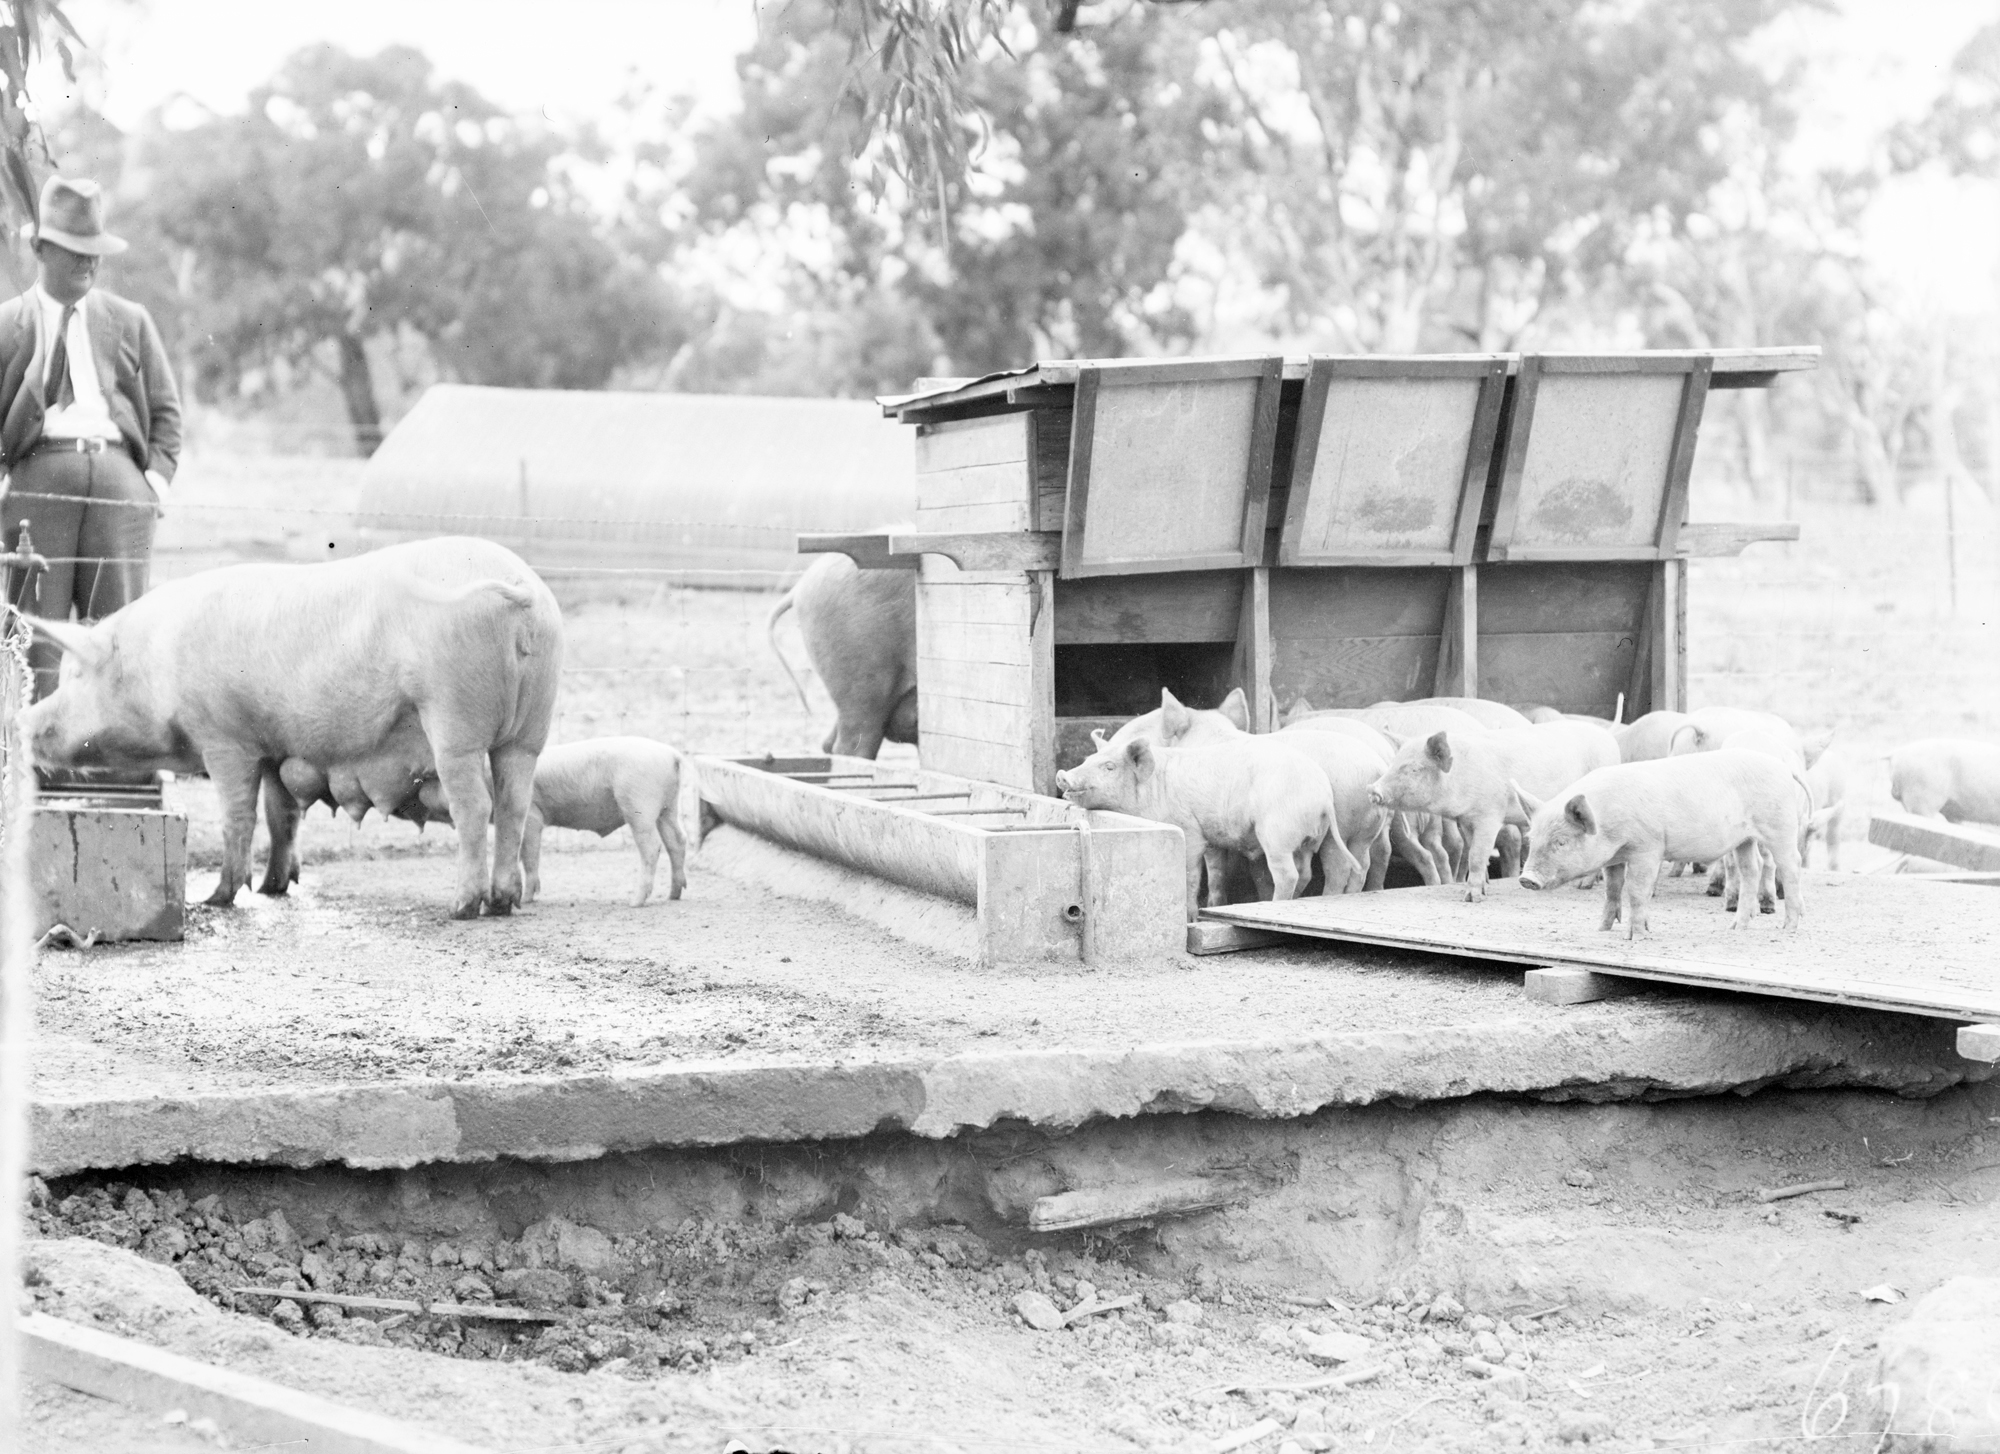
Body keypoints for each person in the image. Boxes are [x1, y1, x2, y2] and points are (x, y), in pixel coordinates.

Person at [0, 173, 181, 699]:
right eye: (75, 251)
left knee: (119, 629)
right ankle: (43, 761)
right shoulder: (8, 323)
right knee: (37, 631)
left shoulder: (129, 321)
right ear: (39, 249)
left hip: (119, 487)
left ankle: (114, 763)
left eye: (95, 251)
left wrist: (153, 486)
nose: (89, 262)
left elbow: (167, 413)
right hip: (37, 487)